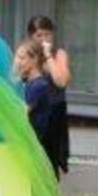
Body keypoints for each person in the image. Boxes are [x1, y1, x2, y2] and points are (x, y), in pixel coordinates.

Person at [25, 17, 71, 175]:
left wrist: (48, 56)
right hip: (34, 111)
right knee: (33, 156)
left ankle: (53, 194)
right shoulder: (27, 54)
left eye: (47, 34)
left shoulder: (59, 54)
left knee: (51, 159)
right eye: (39, 35)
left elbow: (61, 81)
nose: (44, 39)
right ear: (31, 36)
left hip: (54, 112)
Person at [16, 39, 68, 178]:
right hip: (33, 142)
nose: (17, 62)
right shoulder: (28, 83)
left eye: (22, 58)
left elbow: (21, 113)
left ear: (34, 60)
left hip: (37, 144)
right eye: (17, 57)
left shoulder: (38, 86)